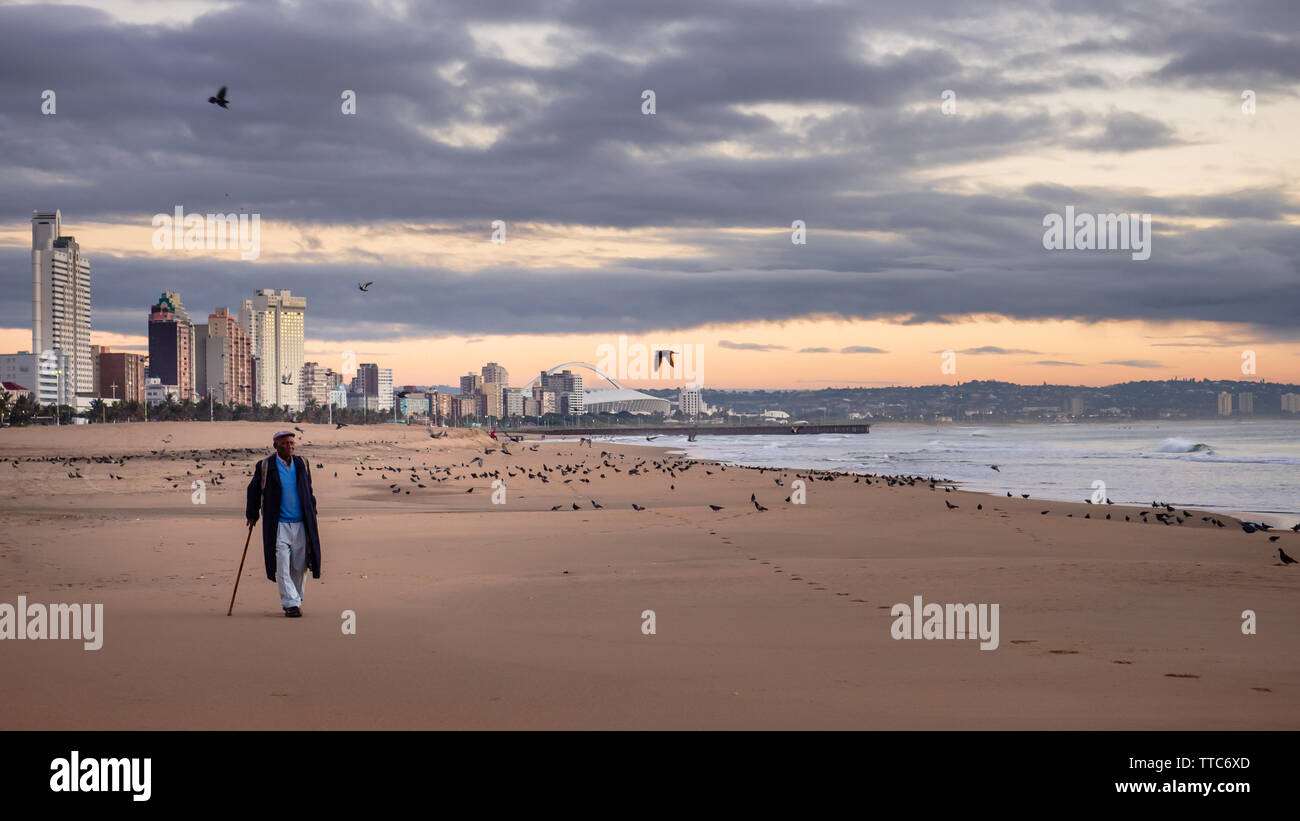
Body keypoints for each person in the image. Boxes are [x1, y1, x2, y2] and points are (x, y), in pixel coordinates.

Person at [245, 430, 322, 617]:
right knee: (282, 563)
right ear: (276, 446)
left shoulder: (302, 463)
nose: (289, 446)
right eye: (285, 443)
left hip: (301, 524)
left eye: (291, 443)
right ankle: (290, 604)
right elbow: (253, 490)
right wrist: (252, 514)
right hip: (278, 524)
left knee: (300, 565)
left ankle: (295, 597)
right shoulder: (265, 466)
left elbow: (308, 489)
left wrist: (312, 508)